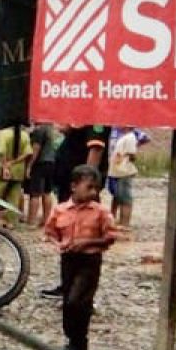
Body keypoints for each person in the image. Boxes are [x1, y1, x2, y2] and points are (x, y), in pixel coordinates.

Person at [43, 165, 116, 350]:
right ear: (74, 186)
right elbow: (50, 232)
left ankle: (80, 343)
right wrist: (59, 244)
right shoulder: (60, 210)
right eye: (89, 187)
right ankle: (72, 340)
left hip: (90, 260)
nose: (93, 192)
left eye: (95, 188)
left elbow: (110, 236)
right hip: (68, 259)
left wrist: (87, 242)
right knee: (68, 300)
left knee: (79, 301)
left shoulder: (101, 212)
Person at [40, 124, 109, 298]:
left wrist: (86, 183)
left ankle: (82, 294)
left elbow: (96, 149)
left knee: (85, 241)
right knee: (68, 237)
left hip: (81, 193)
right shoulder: (81, 120)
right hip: (70, 189)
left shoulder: (96, 119)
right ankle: (68, 285)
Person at [0, 124, 32, 227]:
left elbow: (1, 152)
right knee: (14, 197)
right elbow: (28, 153)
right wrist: (14, 162)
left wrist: (5, 165)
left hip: (4, 169)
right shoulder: (25, 135)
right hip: (18, 170)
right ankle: (11, 222)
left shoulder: (3, 134)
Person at [26, 122, 57, 227]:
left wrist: (30, 165)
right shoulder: (50, 129)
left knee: (35, 193)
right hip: (51, 162)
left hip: (40, 163)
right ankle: (46, 219)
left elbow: (36, 148)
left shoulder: (39, 130)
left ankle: (31, 220)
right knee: (47, 192)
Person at [108, 125, 139, 229]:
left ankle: (125, 223)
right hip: (118, 171)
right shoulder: (124, 137)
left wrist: (123, 160)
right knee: (119, 195)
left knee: (125, 197)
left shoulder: (130, 137)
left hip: (124, 171)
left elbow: (132, 154)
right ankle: (120, 220)